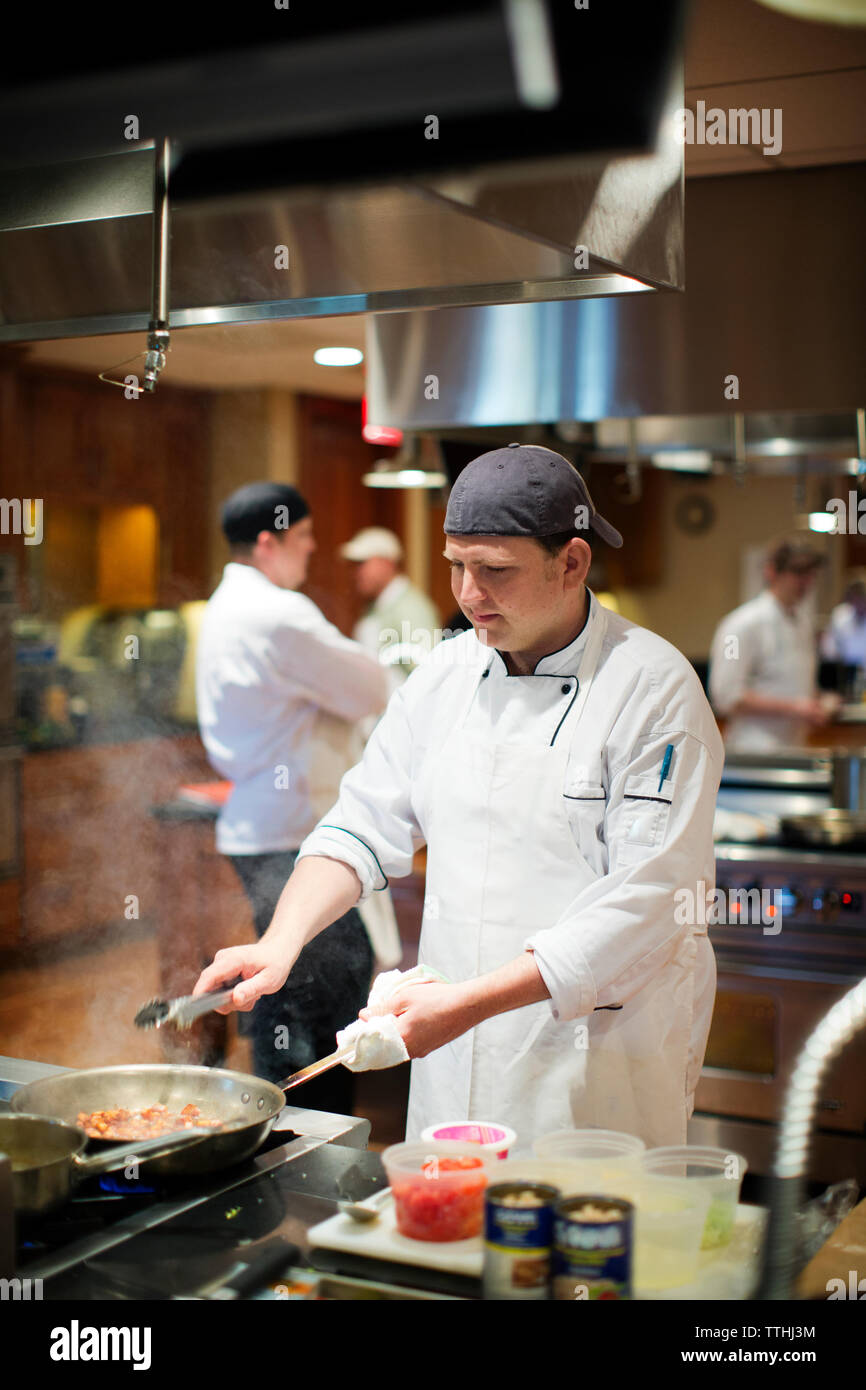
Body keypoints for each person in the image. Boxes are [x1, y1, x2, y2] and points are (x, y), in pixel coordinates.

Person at [194, 445, 724, 1151]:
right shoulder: (445, 675)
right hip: (451, 1043)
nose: (468, 594)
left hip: (594, 1057)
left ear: (571, 563)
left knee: (584, 1248)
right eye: (456, 566)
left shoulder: (653, 689)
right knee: (454, 1239)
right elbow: (360, 822)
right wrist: (280, 941)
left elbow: (650, 901)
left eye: (494, 571)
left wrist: (467, 1006)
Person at [195, 482, 388, 1113]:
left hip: (264, 821)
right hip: (292, 828)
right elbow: (369, 687)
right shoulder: (278, 611)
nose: (310, 553)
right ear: (269, 542)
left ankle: (284, 1132)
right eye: (303, 538)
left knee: (292, 985)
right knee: (319, 991)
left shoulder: (225, 605)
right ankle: (305, 1146)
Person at [708, 538, 836, 751]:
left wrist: (820, 700)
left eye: (810, 574)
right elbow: (726, 695)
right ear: (771, 571)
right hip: (754, 749)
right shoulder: (739, 625)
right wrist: (795, 708)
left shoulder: (802, 623)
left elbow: (791, 683)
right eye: (798, 573)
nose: (806, 582)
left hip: (795, 747)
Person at [339, 527, 440, 686]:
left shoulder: (411, 608)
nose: (356, 572)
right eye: (354, 565)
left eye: (362, 563)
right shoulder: (376, 607)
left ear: (387, 562)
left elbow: (426, 671)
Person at [821, 578, 866, 673]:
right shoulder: (840, 615)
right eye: (855, 599)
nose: (859, 603)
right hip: (845, 671)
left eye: (862, 599)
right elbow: (829, 647)